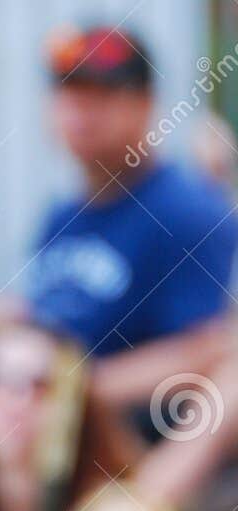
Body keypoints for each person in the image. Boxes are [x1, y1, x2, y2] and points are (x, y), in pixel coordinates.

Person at [29, 26, 238, 434]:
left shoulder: (189, 210)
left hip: (145, 437)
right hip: (49, 428)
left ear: (145, 105)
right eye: (69, 93)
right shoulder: (60, 215)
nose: (80, 112)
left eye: (102, 96)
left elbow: (211, 349)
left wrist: (74, 390)